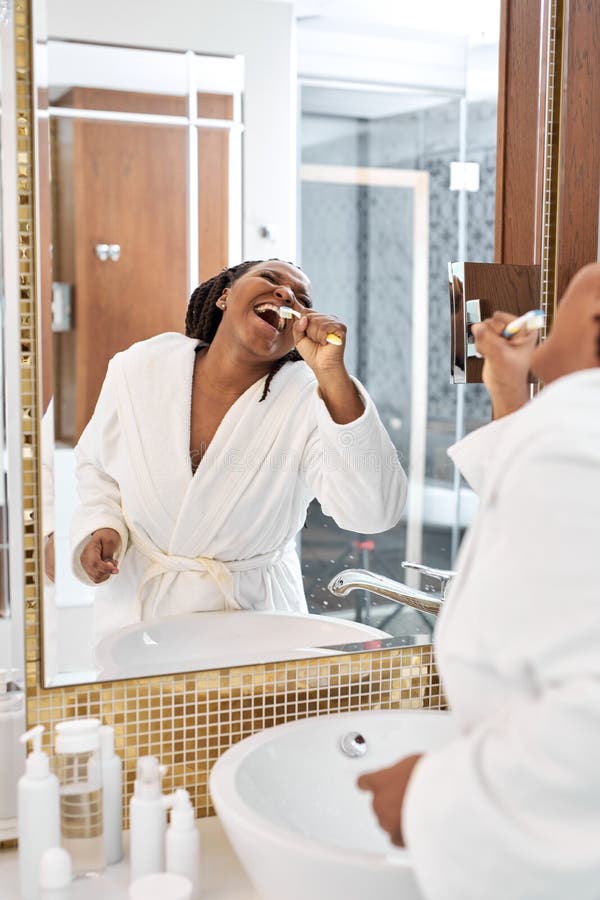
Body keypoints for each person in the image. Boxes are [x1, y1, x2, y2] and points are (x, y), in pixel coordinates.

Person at [358, 262, 600, 900]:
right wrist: (509, 390)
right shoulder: (570, 441)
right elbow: (552, 523)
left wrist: (433, 796)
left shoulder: (574, 446)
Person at [71, 259, 407, 642]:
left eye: (301, 298)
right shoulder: (140, 369)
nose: (286, 295)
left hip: (253, 623)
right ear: (225, 297)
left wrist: (332, 373)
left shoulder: (309, 398)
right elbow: (97, 467)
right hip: (140, 616)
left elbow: (373, 512)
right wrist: (103, 528)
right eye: (269, 279)